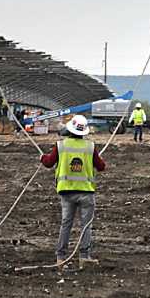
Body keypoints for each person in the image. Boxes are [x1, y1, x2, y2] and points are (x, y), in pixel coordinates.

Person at [42, 114, 106, 268]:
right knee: (86, 226)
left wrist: (42, 158)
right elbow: (101, 166)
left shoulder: (61, 146)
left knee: (66, 224)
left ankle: (61, 258)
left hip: (67, 192)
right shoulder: (90, 147)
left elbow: (48, 162)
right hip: (86, 192)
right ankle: (84, 257)